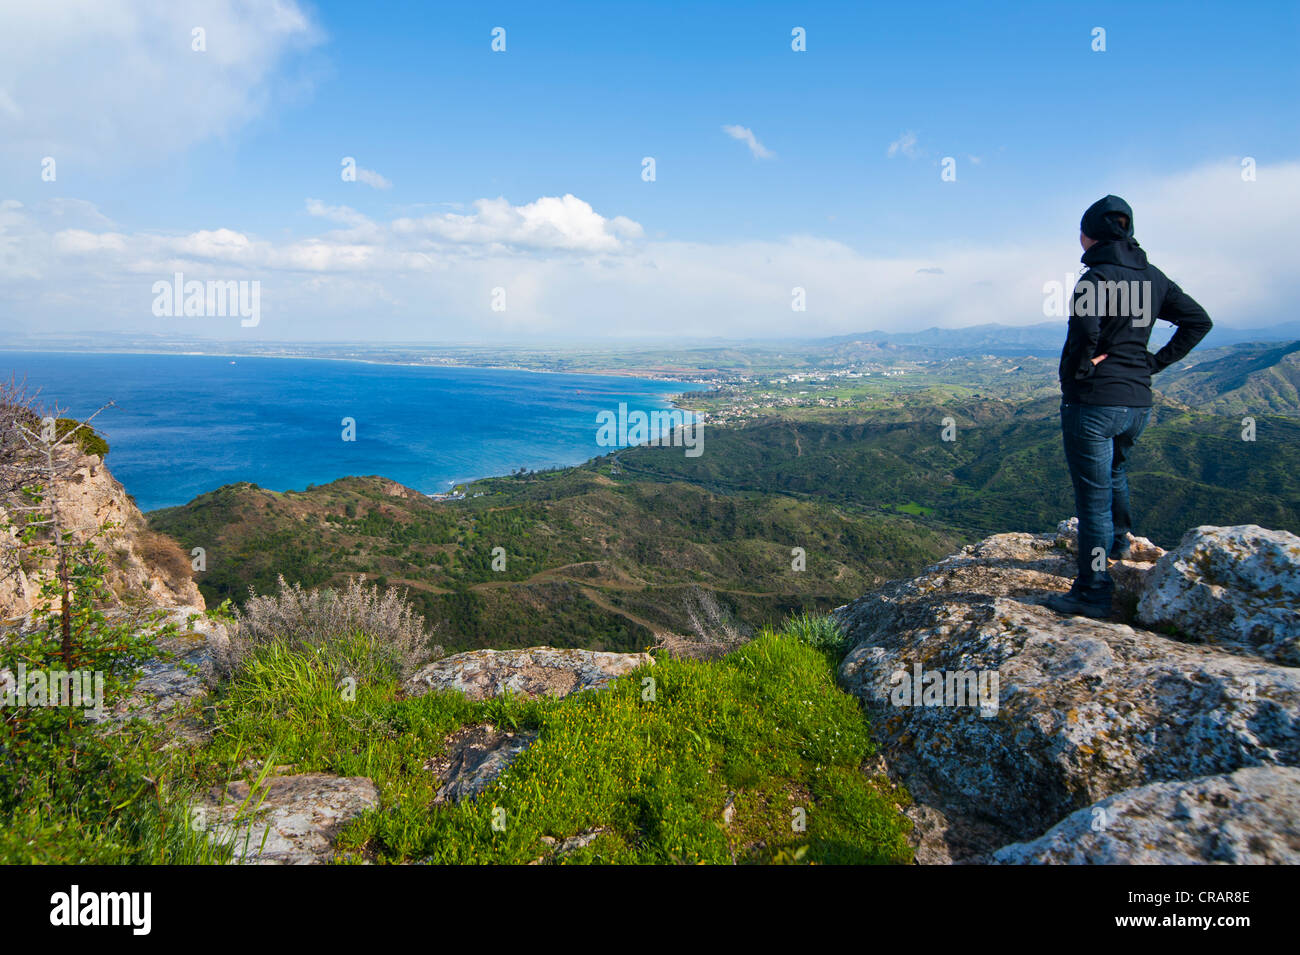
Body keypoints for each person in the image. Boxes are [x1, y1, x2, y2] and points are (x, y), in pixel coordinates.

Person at [1048, 195, 1212, 618]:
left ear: (1091, 235)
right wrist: (1152, 363)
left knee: (1092, 501)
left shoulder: (1095, 279)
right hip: (1138, 402)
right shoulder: (1153, 277)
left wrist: (1078, 374)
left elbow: (1083, 335)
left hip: (1095, 403)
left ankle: (1092, 591)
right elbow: (1198, 320)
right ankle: (1120, 543)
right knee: (1117, 472)